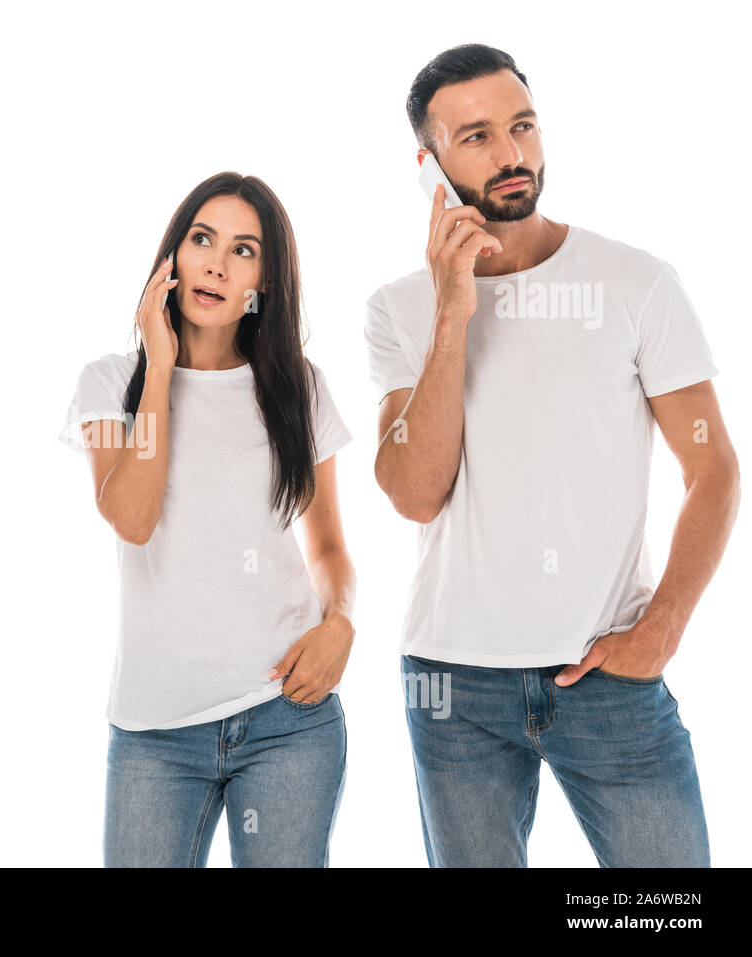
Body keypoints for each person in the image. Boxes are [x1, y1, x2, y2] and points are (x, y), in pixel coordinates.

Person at [367, 44, 740, 867]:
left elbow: (712, 467)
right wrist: (454, 313)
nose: (510, 155)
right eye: (476, 137)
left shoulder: (635, 281)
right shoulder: (400, 308)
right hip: (451, 684)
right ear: (427, 166)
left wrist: (664, 628)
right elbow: (416, 491)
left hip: (607, 671)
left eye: (522, 126)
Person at [61, 172, 356, 867]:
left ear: (267, 283)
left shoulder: (298, 388)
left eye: (244, 250)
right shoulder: (110, 383)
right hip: (154, 729)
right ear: (173, 257)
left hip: (287, 713)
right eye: (202, 239)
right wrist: (160, 368)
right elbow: (132, 518)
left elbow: (331, 545)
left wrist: (340, 621)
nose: (218, 263)